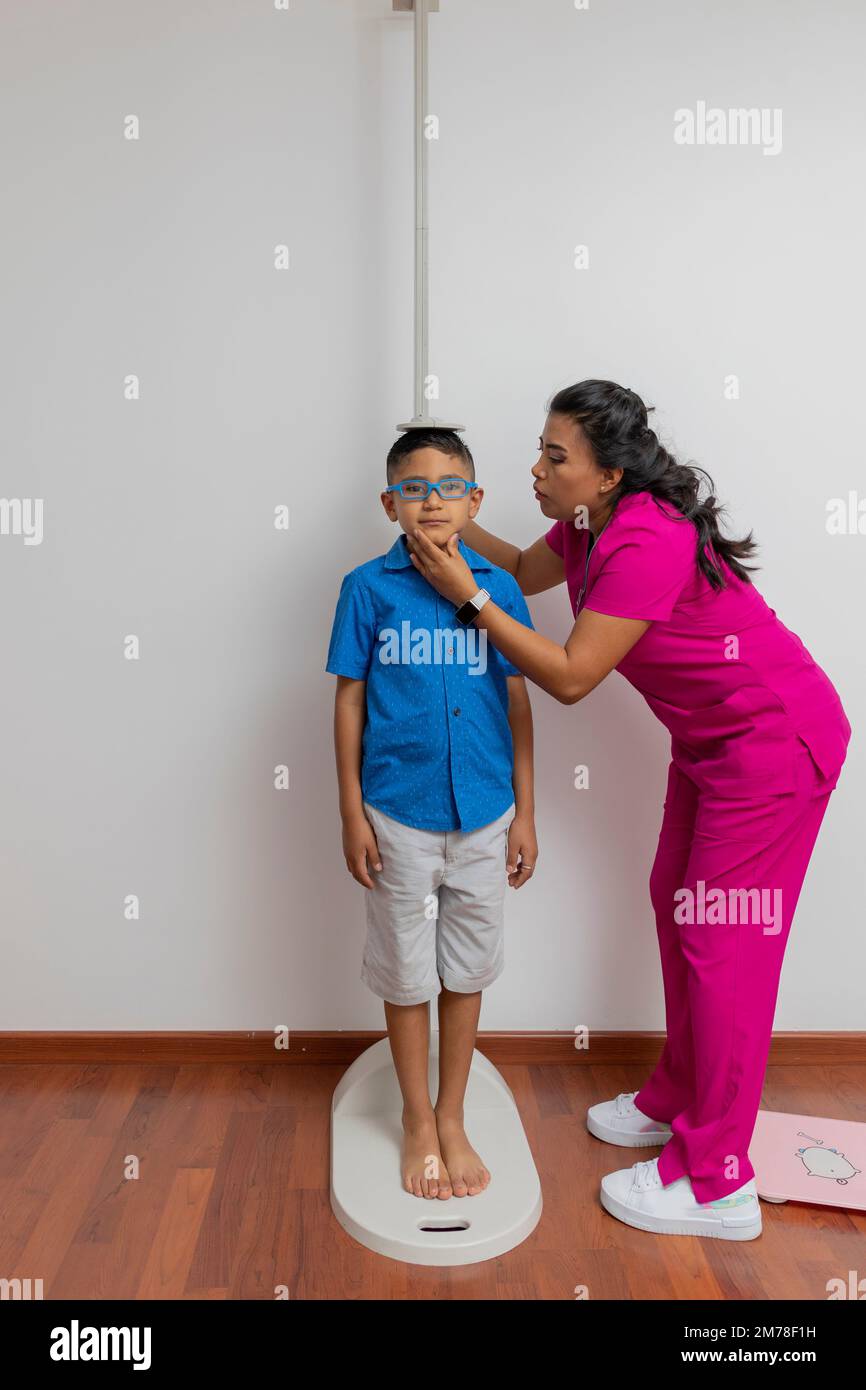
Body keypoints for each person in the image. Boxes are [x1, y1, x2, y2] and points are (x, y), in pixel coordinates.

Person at [405, 379, 851, 1241]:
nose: (535, 468)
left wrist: (468, 598)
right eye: (540, 449)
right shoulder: (586, 523)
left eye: (554, 457)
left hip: (774, 747)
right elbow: (524, 572)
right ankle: (678, 1100)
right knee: (676, 905)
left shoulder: (648, 536)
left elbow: (570, 676)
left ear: (608, 475)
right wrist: (446, 522)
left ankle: (717, 1180)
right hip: (714, 745)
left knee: (724, 946)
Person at [325, 428, 538, 1200]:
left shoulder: (498, 589)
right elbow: (349, 699)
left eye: (450, 486)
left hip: (485, 812)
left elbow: (517, 699)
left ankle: (453, 1114)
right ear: (390, 503)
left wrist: (525, 814)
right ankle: (416, 1117)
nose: (433, 500)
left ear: (475, 501)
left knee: (468, 966)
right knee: (407, 971)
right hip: (398, 815)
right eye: (414, 488)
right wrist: (352, 812)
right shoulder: (367, 588)